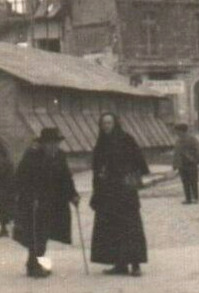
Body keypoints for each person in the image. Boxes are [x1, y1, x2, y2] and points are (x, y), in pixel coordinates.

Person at [12, 128, 78, 278]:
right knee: (36, 233)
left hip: (53, 202)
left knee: (45, 233)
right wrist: (29, 197)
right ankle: (34, 266)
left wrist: (73, 194)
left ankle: (33, 263)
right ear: (44, 143)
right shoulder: (32, 155)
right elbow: (21, 177)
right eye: (50, 143)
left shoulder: (60, 155)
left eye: (56, 143)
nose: (54, 146)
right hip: (34, 201)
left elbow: (66, 177)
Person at [90, 113, 150, 277]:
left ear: (115, 123)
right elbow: (96, 167)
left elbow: (140, 162)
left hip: (125, 193)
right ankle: (119, 263)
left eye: (109, 122)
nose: (106, 126)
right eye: (104, 123)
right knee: (112, 228)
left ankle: (136, 264)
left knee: (130, 228)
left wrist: (127, 174)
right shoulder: (101, 143)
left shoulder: (126, 139)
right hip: (108, 194)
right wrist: (97, 188)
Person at [172, 123, 199, 205]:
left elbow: (198, 150)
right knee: (185, 181)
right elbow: (176, 153)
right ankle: (188, 198)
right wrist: (175, 164)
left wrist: (195, 159)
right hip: (181, 165)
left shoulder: (192, 139)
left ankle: (195, 197)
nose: (177, 133)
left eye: (178, 131)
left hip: (191, 164)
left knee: (193, 181)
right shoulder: (178, 141)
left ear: (183, 131)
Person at [0, 146, 13, 238]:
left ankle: (4, 229)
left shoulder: (5, 162)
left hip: (3, 190)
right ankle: (4, 228)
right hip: (5, 190)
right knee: (4, 209)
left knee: (3, 209)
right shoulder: (8, 162)